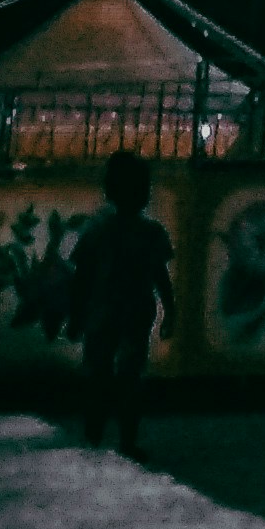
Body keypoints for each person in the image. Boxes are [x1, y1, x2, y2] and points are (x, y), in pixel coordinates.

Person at [67, 152, 173, 453]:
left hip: (101, 314)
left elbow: (82, 279)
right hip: (136, 313)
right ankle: (127, 441)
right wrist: (170, 311)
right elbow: (160, 276)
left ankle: (93, 436)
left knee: (97, 375)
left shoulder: (96, 231)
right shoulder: (151, 233)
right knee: (130, 376)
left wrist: (75, 317)